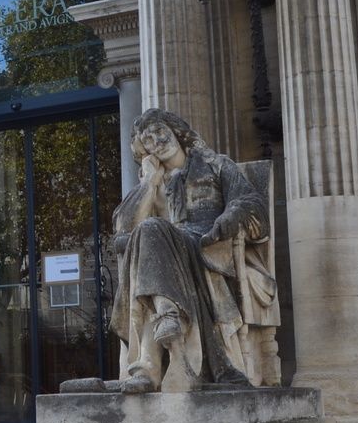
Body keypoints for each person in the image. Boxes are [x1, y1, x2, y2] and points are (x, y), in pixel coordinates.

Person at [71, 108, 268, 394]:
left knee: (150, 231)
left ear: (175, 130)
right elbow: (123, 230)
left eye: (159, 131)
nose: (156, 141)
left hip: (207, 247)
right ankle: (167, 321)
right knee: (148, 232)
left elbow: (253, 205)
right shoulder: (155, 183)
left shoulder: (215, 164)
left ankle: (149, 364)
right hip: (167, 255)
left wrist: (229, 217)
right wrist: (149, 183)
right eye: (148, 140)